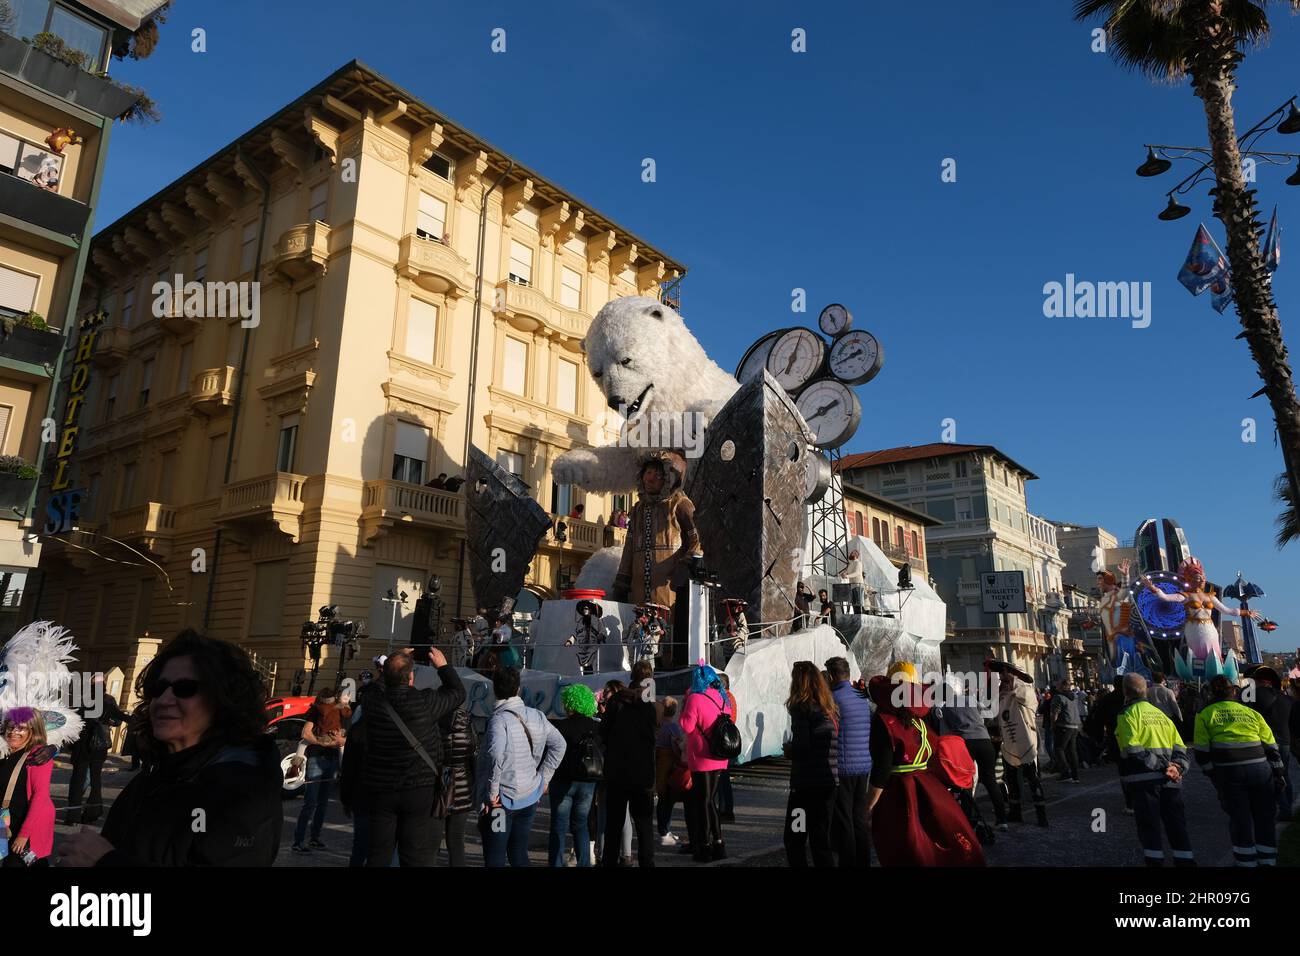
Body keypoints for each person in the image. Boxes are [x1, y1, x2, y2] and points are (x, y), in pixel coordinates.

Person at [57, 630, 283, 866]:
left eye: (185, 688)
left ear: (223, 699)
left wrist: (106, 863)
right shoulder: (155, 776)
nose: (164, 699)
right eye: (158, 687)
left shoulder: (242, 793)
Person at [865, 662, 985, 866]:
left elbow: (882, 769)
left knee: (906, 847)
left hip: (899, 792)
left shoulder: (884, 720)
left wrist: (868, 805)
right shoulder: (920, 719)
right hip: (928, 788)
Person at [356, 648, 466, 867]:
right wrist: (443, 666)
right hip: (419, 787)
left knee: (378, 853)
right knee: (414, 853)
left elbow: (372, 690)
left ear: (384, 676)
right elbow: (457, 692)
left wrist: (395, 657)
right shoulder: (425, 702)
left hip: (381, 788)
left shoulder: (372, 703)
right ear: (411, 677)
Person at [610, 453, 700, 669]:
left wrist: (686, 566)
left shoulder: (680, 504)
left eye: (657, 474)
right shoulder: (638, 510)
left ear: (669, 478)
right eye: (648, 473)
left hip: (669, 587)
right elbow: (629, 549)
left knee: (668, 634)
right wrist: (622, 580)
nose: (650, 478)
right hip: (640, 590)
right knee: (640, 637)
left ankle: (670, 666)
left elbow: (696, 539)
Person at [476, 667, 565, 867]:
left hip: (501, 802)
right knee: (518, 851)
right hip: (530, 795)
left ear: (494, 688)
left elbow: (495, 757)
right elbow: (560, 745)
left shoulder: (499, 720)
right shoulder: (537, 716)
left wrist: (491, 794)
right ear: (518, 688)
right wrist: (544, 778)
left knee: (495, 855)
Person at [1195, 676, 1285, 866]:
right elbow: (1271, 746)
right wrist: (1278, 774)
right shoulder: (1251, 713)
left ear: (1211, 693)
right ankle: (1268, 861)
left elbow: (1201, 753)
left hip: (1229, 772)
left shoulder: (1204, 714)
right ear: (1234, 692)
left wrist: (1214, 776)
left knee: (1240, 819)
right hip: (1260, 769)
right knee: (1264, 817)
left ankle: (1246, 862)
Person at [1115, 673, 1194, 867]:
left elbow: (1132, 749)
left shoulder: (1127, 714)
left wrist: (1162, 766)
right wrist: (1177, 768)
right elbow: (1180, 747)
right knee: (1177, 827)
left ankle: (1155, 863)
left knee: (1150, 829)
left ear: (1125, 692)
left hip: (1145, 781)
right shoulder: (1161, 715)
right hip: (1171, 781)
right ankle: (1186, 863)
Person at [1138, 559, 1260, 664]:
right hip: (1194, 629)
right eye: (1198, 577)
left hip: (1210, 629)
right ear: (1190, 579)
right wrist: (1151, 587)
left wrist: (1247, 613)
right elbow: (1165, 597)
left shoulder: (1210, 596)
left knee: (1214, 654)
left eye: (1203, 577)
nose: (1202, 580)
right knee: (1199, 656)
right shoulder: (1185, 595)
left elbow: (1228, 610)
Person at [599, 660, 659, 867]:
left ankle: (609, 862)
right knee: (644, 824)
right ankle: (646, 862)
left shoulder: (616, 700)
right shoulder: (648, 704)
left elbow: (603, 733)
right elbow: (654, 732)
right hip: (642, 771)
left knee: (614, 823)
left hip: (617, 769)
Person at [783, 661, 839, 867]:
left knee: (795, 838)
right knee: (820, 840)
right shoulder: (830, 709)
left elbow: (802, 748)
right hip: (828, 783)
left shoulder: (801, 708)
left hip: (805, 788)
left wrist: (789, 750)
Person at [937, 672, 1007, 830]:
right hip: (984, 740)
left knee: (966, 781)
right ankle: (1002, 819)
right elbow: (988, 716)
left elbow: (945, 733)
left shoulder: (945, 706)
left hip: (965, 743)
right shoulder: (971, 700)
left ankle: (968, 819)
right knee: (990, 780)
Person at [678, 662, 731, 862]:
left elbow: (687, 726)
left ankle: (704, 846)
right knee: (711, 801)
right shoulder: (721, 697)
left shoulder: (695, 698)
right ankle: (719, 843)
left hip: (701, 756)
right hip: (719, 754)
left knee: (703, 801)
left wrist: (685, 707)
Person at [64, 674, 129, 826]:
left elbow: (74, 718)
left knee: (80, 780)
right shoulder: (106, 699)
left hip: (87, 744)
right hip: (96, 744)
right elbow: (118, 720)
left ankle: (74, 815)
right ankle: (90, 813)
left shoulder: (86, 699)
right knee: (93, 780)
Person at [826, 657, 873, 864]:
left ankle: (849, 861)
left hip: (843, 766)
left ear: (831, 676)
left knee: (844, 819)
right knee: (859, 818)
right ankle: (864, 860)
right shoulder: (861, 697)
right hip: (863, 766)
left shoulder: (833, 699)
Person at [990, 660, 1048, 826]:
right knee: (1012, 780)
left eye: (1005, 677)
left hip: (1026, 743)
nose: (1003, 680)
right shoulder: (1003, 697)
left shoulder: (1026, 692)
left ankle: (1041, 814)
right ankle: (1015, 812)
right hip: (1009, 744)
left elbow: (1022, 693)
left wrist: (1012, 679)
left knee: (1032, 779)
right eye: (1002, 677)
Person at [549, 683, 599, 867]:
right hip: (588, 781)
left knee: (558, 827)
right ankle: (584, 863)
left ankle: (556, 863)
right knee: (581, 825)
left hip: (563, 780)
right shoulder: (595, 727)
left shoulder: (561, 726)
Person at [291, 686, 346, 853]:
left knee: (322, 803)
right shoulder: (315, 711)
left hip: (332, 759)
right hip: (317, 758)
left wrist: (340, 741)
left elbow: (342, 737)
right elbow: (305, 733)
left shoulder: (339, 711)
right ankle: (298, 841)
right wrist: (323, 743)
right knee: (311, 803)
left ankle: (315, 838)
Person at [1, 708, 56, 867]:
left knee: (23, 862)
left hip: (26, 826)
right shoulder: (4, 751)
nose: (13, 732)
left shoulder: (38, 755)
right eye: (10, 727)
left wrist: (24, 835)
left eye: (21, 728)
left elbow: (41, 797)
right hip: (5, 824)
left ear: (33, 730)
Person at [1243, 665, 1294, 822]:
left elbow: (1245, 710)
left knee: (1270, 777)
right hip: (1286, 741)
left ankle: (1282, 809)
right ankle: (1289, 805)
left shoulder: (1254, 695)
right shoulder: (1286, 698)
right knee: (1284, 774)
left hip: (1267, 742)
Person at [438, 705, 478, 866]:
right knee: (456, 842)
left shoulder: (435, 719)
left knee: (432, 840)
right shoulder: (468, 722)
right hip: (463, 785)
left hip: (440, 784)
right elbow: (475, 754)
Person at [654, 696, 689, 846]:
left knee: (662, 799)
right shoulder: (673, 727)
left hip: (657, 764)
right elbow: (677, 748)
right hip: (669, 766)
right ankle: (664, 832)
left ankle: (664, 831)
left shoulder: (657, 725)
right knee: (667, 801)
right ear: (674, 712)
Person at [1051, 679, 1082, 783]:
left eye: (1057, 684)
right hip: (1075, 725)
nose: (1056, 686)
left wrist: (1053, 725)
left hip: (1064, 725)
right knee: (1071, 750)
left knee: (1058, 749)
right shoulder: (1074, 696)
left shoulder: (1058, 697)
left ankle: (1065, 773)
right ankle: (1075, 775)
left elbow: (1055, 713)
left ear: (1062, 686)